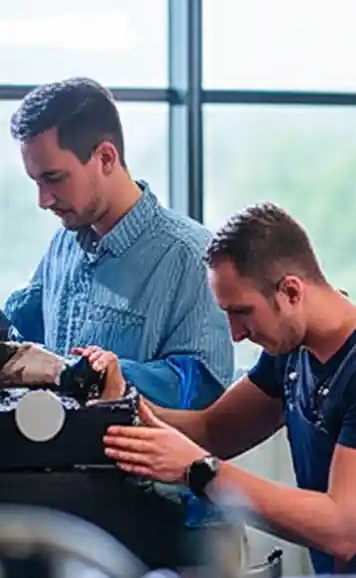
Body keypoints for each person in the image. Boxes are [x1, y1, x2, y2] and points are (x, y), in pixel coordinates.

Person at [94, 202, 356, 577]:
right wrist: (126, 404)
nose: (236, 334)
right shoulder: (291, 351)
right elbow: (213, 431)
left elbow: (345, 528)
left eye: (243, 312)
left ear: (291, 292)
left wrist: (199, 471)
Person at [2, 77, 232, 409]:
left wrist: (87, 374)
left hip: (129, 460)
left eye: (53, 178)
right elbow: (23, 335)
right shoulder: (63, 244)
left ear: (106, 158)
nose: (43, 199)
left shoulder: (191, 257)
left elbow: (200, 392)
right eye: (36, 182)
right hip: (51, 454)